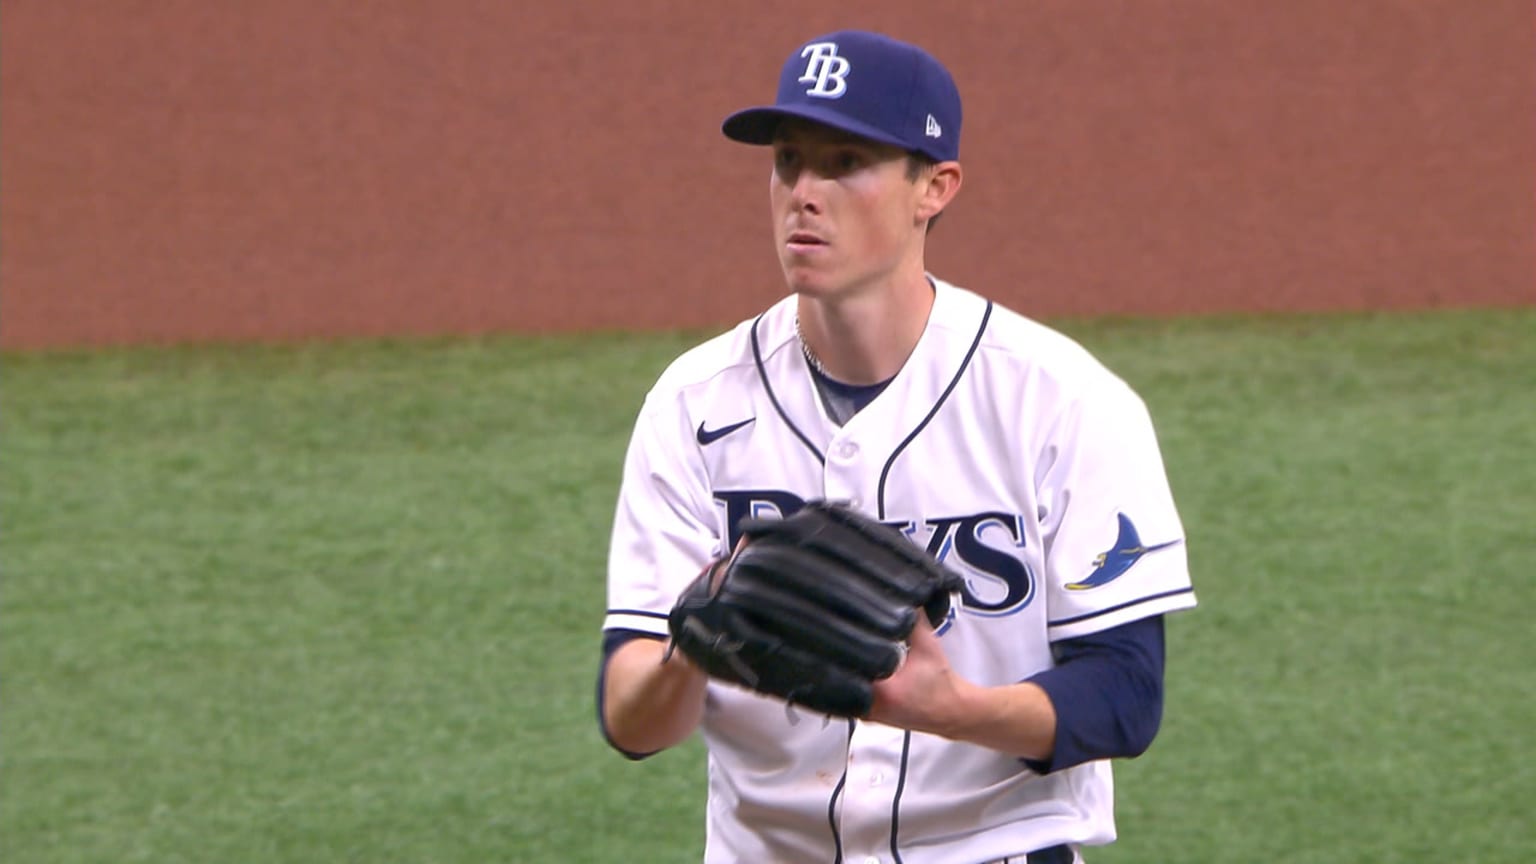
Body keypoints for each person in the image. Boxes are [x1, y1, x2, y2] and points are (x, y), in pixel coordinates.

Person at [597, 29, 1197, 864]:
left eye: (846, 162)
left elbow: (1124, 698)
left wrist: (941, 706)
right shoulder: (693, 406)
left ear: (935, 188)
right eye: (788, 161)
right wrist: (688, 646)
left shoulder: (1060, 400)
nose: (805, 192)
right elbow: (629, 724)